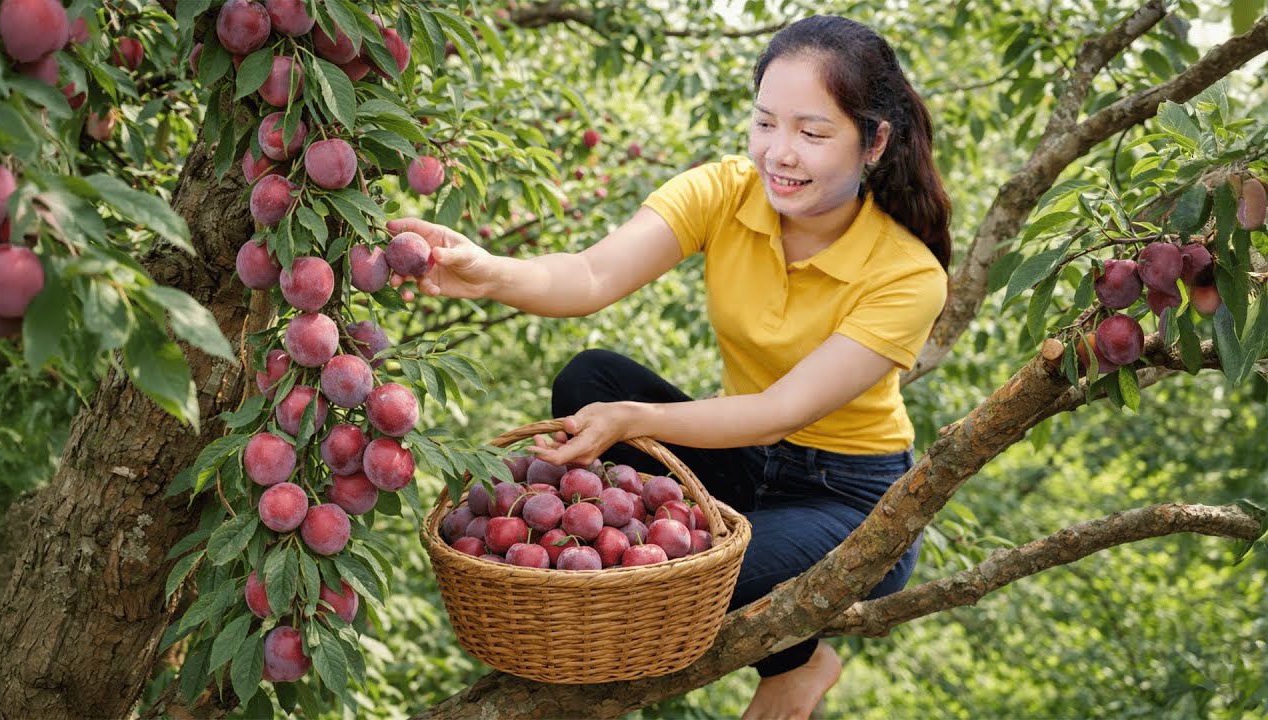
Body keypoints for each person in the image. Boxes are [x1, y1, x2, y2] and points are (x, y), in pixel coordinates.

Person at [388, 14, 951, 719]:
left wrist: (636, 420)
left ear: (874, 142)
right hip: (743, 462)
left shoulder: (908, 274)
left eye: (812, 134)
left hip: (846, 500)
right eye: (765, 124)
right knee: (591, 378)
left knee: (689, 578)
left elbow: (780, 408)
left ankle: (800, 659)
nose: (780, 153)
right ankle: (746, 598)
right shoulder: (726, 190)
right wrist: (488, 273)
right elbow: (591, 276)